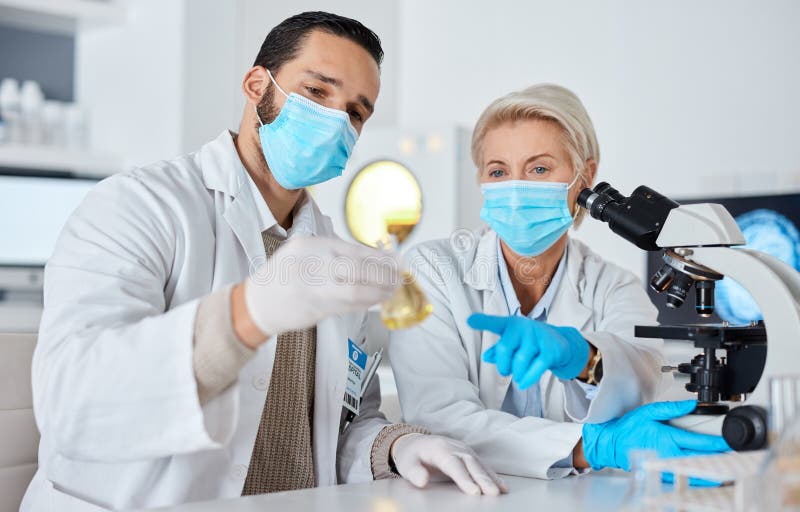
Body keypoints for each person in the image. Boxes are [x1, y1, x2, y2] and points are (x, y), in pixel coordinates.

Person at [22, 12, 505, 512]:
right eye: (317, 92)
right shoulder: (140, 206)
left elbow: (337, 422)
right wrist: (244, 314)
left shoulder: (331, 254)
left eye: (356, 112)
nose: (337, 120)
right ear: (257, 84)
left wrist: (396, 446)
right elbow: (72, 403)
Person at [389, 83, 730, 479]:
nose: (515, 189)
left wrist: (584, 358)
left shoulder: (613, 286)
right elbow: (438, 421)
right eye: (498, 171)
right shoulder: (432, 269)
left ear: (584, 177)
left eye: (538, 169)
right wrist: (592, 446)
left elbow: (641, 383)